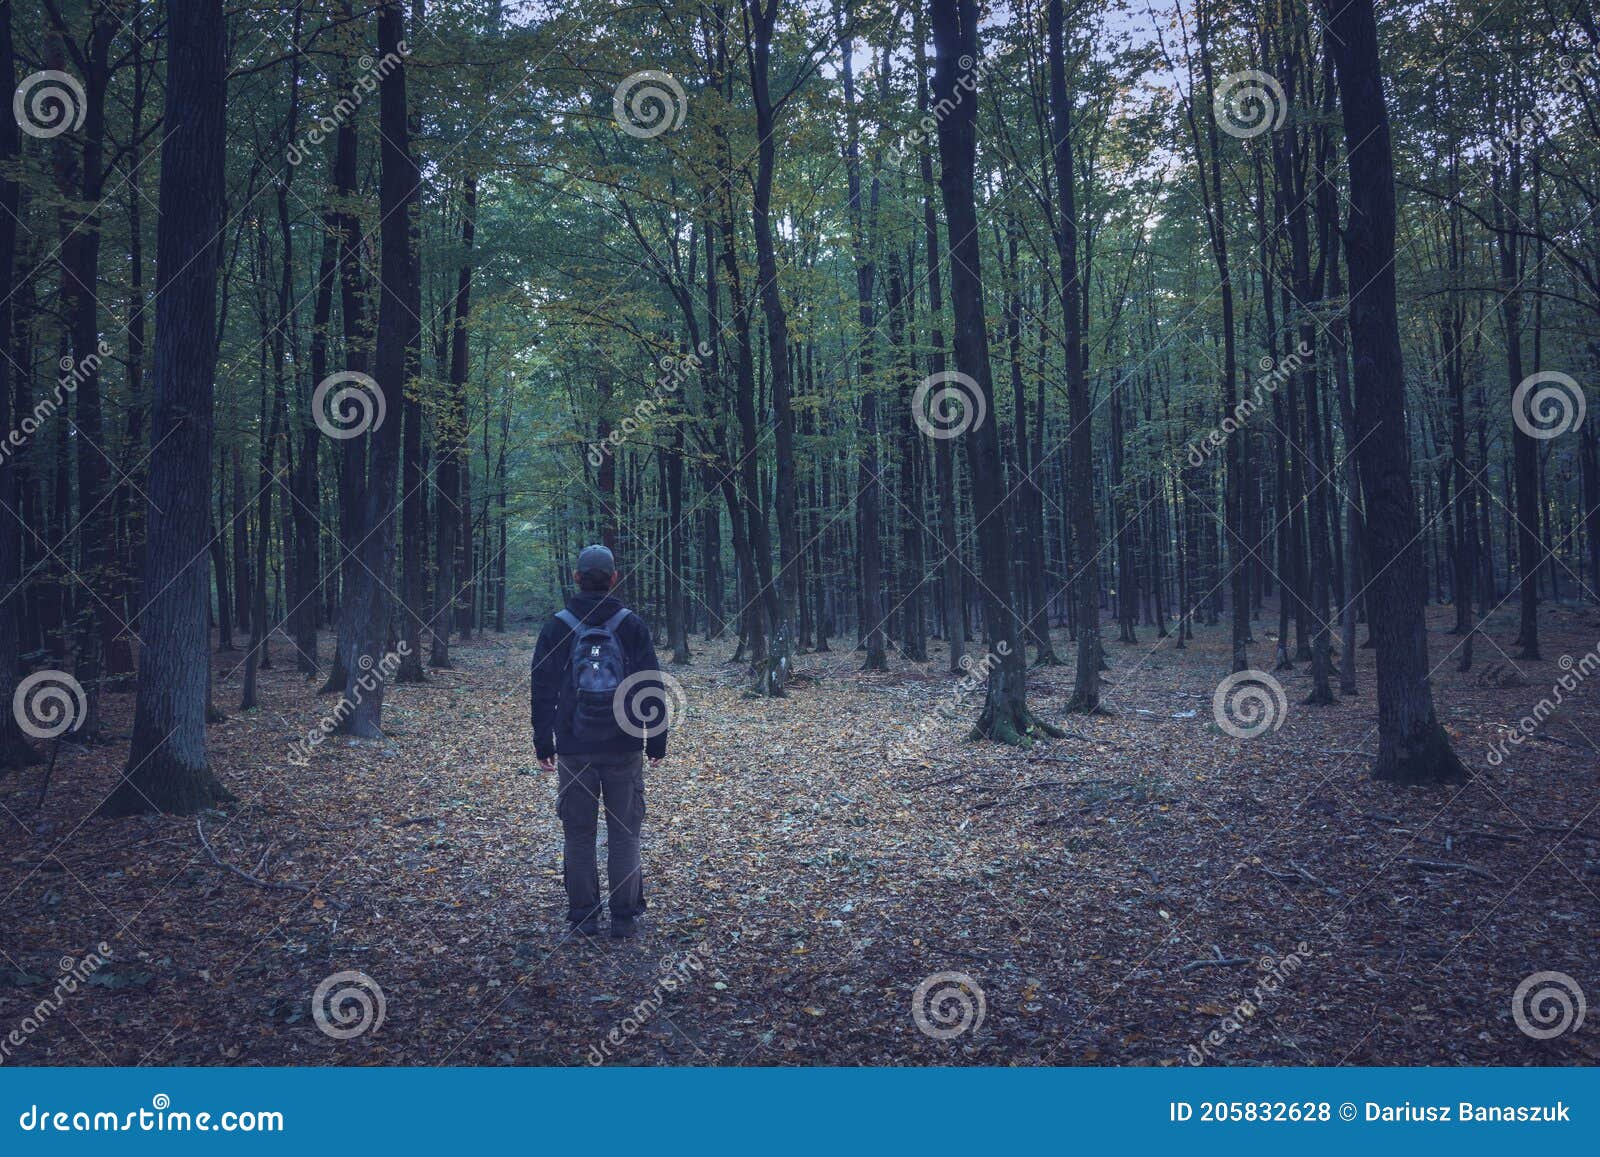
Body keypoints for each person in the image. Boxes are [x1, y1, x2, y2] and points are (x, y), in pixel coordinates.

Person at [530, 545, 667, 939]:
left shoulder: (557, 625)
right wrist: (656, 740)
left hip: (574, 746)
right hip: (624, 744)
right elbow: (650, 685)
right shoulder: (631, 625)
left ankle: (584, 918)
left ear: (575, 578)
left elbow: (542, 687)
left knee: (578, 833)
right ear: (613, 579)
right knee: (625, 832)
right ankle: (623, 919)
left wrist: (544, 742)